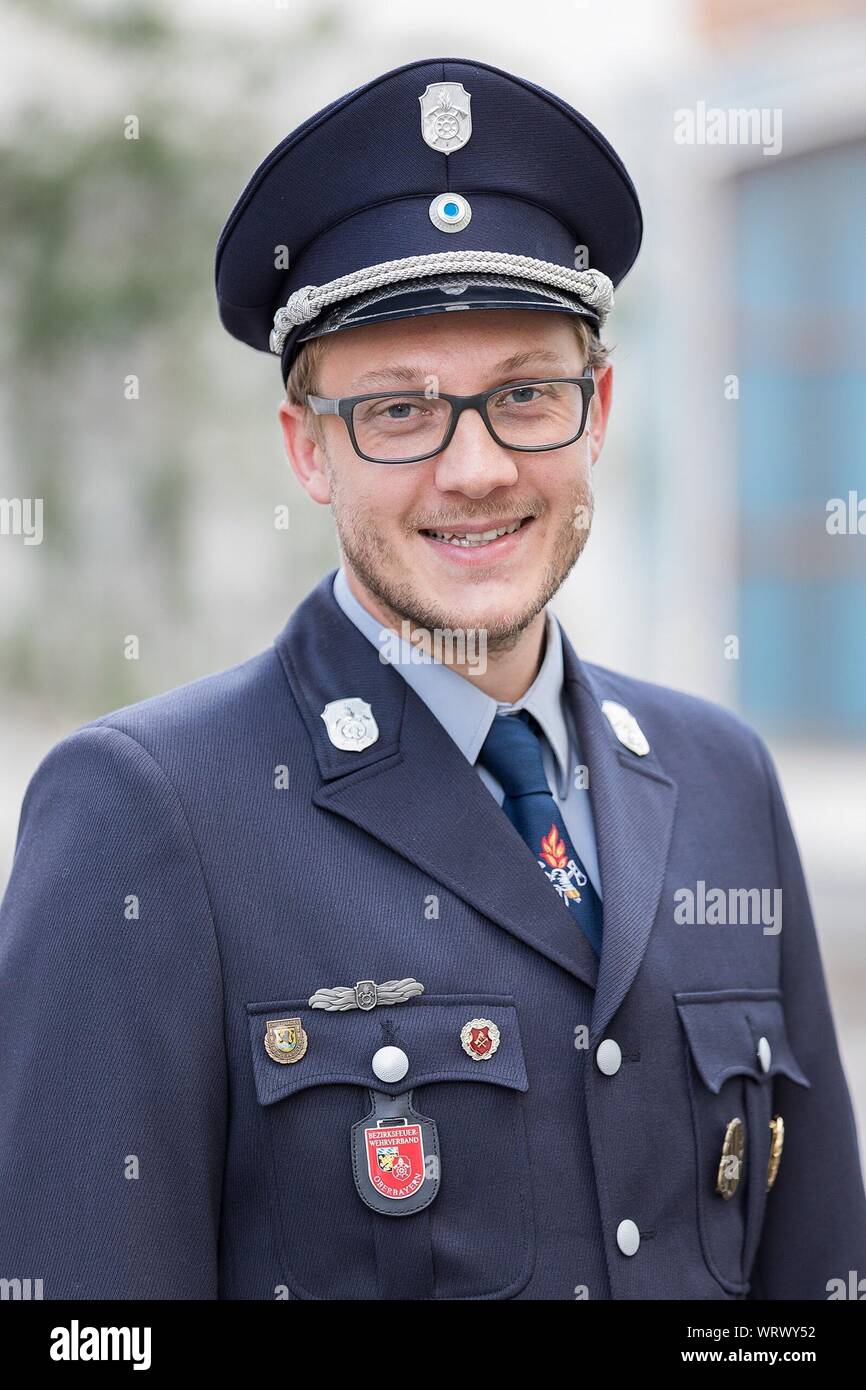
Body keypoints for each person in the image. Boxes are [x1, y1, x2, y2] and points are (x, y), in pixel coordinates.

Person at [1, 56, 864, 1302]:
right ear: (307, 447)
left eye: (524, 394)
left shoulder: (720, 777)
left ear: (599, 409)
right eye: (399, 413)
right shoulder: (149, 815)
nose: (474, 470)